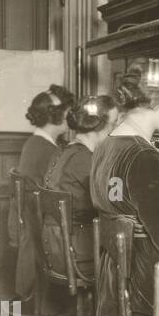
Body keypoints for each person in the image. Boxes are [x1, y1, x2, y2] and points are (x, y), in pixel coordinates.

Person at [91, 59, 159, 316]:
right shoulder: (143, 157)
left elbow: (125, 207)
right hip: (148, 300)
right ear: (156, 101)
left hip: (113, 292)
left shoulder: (105, 145)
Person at [39, 95, 119, 281]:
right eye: (114, 124)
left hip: (55, 250)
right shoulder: (84, 160)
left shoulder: (64, 151)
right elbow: (116, 202)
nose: (115, 130)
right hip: (76, 257)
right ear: (98, 127)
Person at [12, 84, 75, 298]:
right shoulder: (48, 150)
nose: (70, 118)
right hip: (45, 239)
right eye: (67, 113)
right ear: (55, 116)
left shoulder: (33, 143)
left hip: (33, 236)